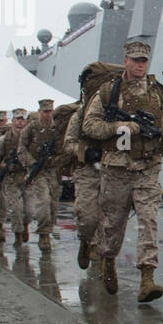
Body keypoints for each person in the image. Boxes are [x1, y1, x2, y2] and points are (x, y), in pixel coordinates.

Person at [82, 38, 163, 301]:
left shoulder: (157, 92)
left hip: (148, 167)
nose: (140, 64)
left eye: (144, 60)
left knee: (148, 219)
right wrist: (120, 127)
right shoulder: (109, 92)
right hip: (117, 168)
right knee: (113, 225)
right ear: (126, 61)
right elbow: (90, 125)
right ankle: (108, 259)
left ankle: (148, 276)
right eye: (135, 60)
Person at [64, 93, 103, 271]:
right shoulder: (79, 116)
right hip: (86, 170)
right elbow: (68, 143)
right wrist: (85, 152)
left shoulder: (115, 110)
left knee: (109, 216)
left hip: (111, 169)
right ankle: (86, 240)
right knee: (87, 215)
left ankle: (101, 252)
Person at [18, 98, 60, 249]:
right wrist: (32, 163)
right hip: (38, 171)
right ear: (39, 111)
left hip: (53, 170)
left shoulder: (58, 128)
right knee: (43, 201)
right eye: (45, 111)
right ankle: (44, 234)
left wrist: (57, 158)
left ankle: (48, 228)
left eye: (50, 111)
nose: (47, 115)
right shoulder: (31, 128)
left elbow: (65, 146)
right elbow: (21, 150)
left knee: (54, 203)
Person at [0, 108, 29, 243]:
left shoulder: (30, 137)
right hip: (11, 177)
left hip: (28, 176)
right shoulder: (3, 139)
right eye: (17, 119)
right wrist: (4, 165)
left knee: (30, 210)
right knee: (14, 207)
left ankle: (24, 226)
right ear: (13, 121)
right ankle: (16, 234)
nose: (20, 123)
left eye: (22, 119)